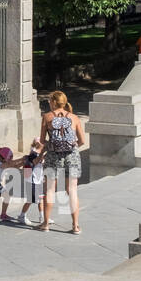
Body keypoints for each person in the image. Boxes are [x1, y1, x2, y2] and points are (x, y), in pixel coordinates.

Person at [40, 91, 86, 233]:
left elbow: (42, 141)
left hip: (53, 156)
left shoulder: (47, 117)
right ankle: (75, 226)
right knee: (71, 190)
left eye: (49, 101)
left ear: (54, 102)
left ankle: (46, 224)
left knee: (50, 190)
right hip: (72, 156)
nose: (48, 103)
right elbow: (82, 141)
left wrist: (53, 146)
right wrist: (71, 147)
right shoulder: (74, 117)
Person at [13, 138, 45, 226]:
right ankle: (22, 216)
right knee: (30, 200)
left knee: (41, 198)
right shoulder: (33, 154)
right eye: (43, 143)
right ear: (39, 144)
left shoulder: (37, 153)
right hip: (32, 180)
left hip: (37, 179)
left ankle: (42, 217)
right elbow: (36, 161)